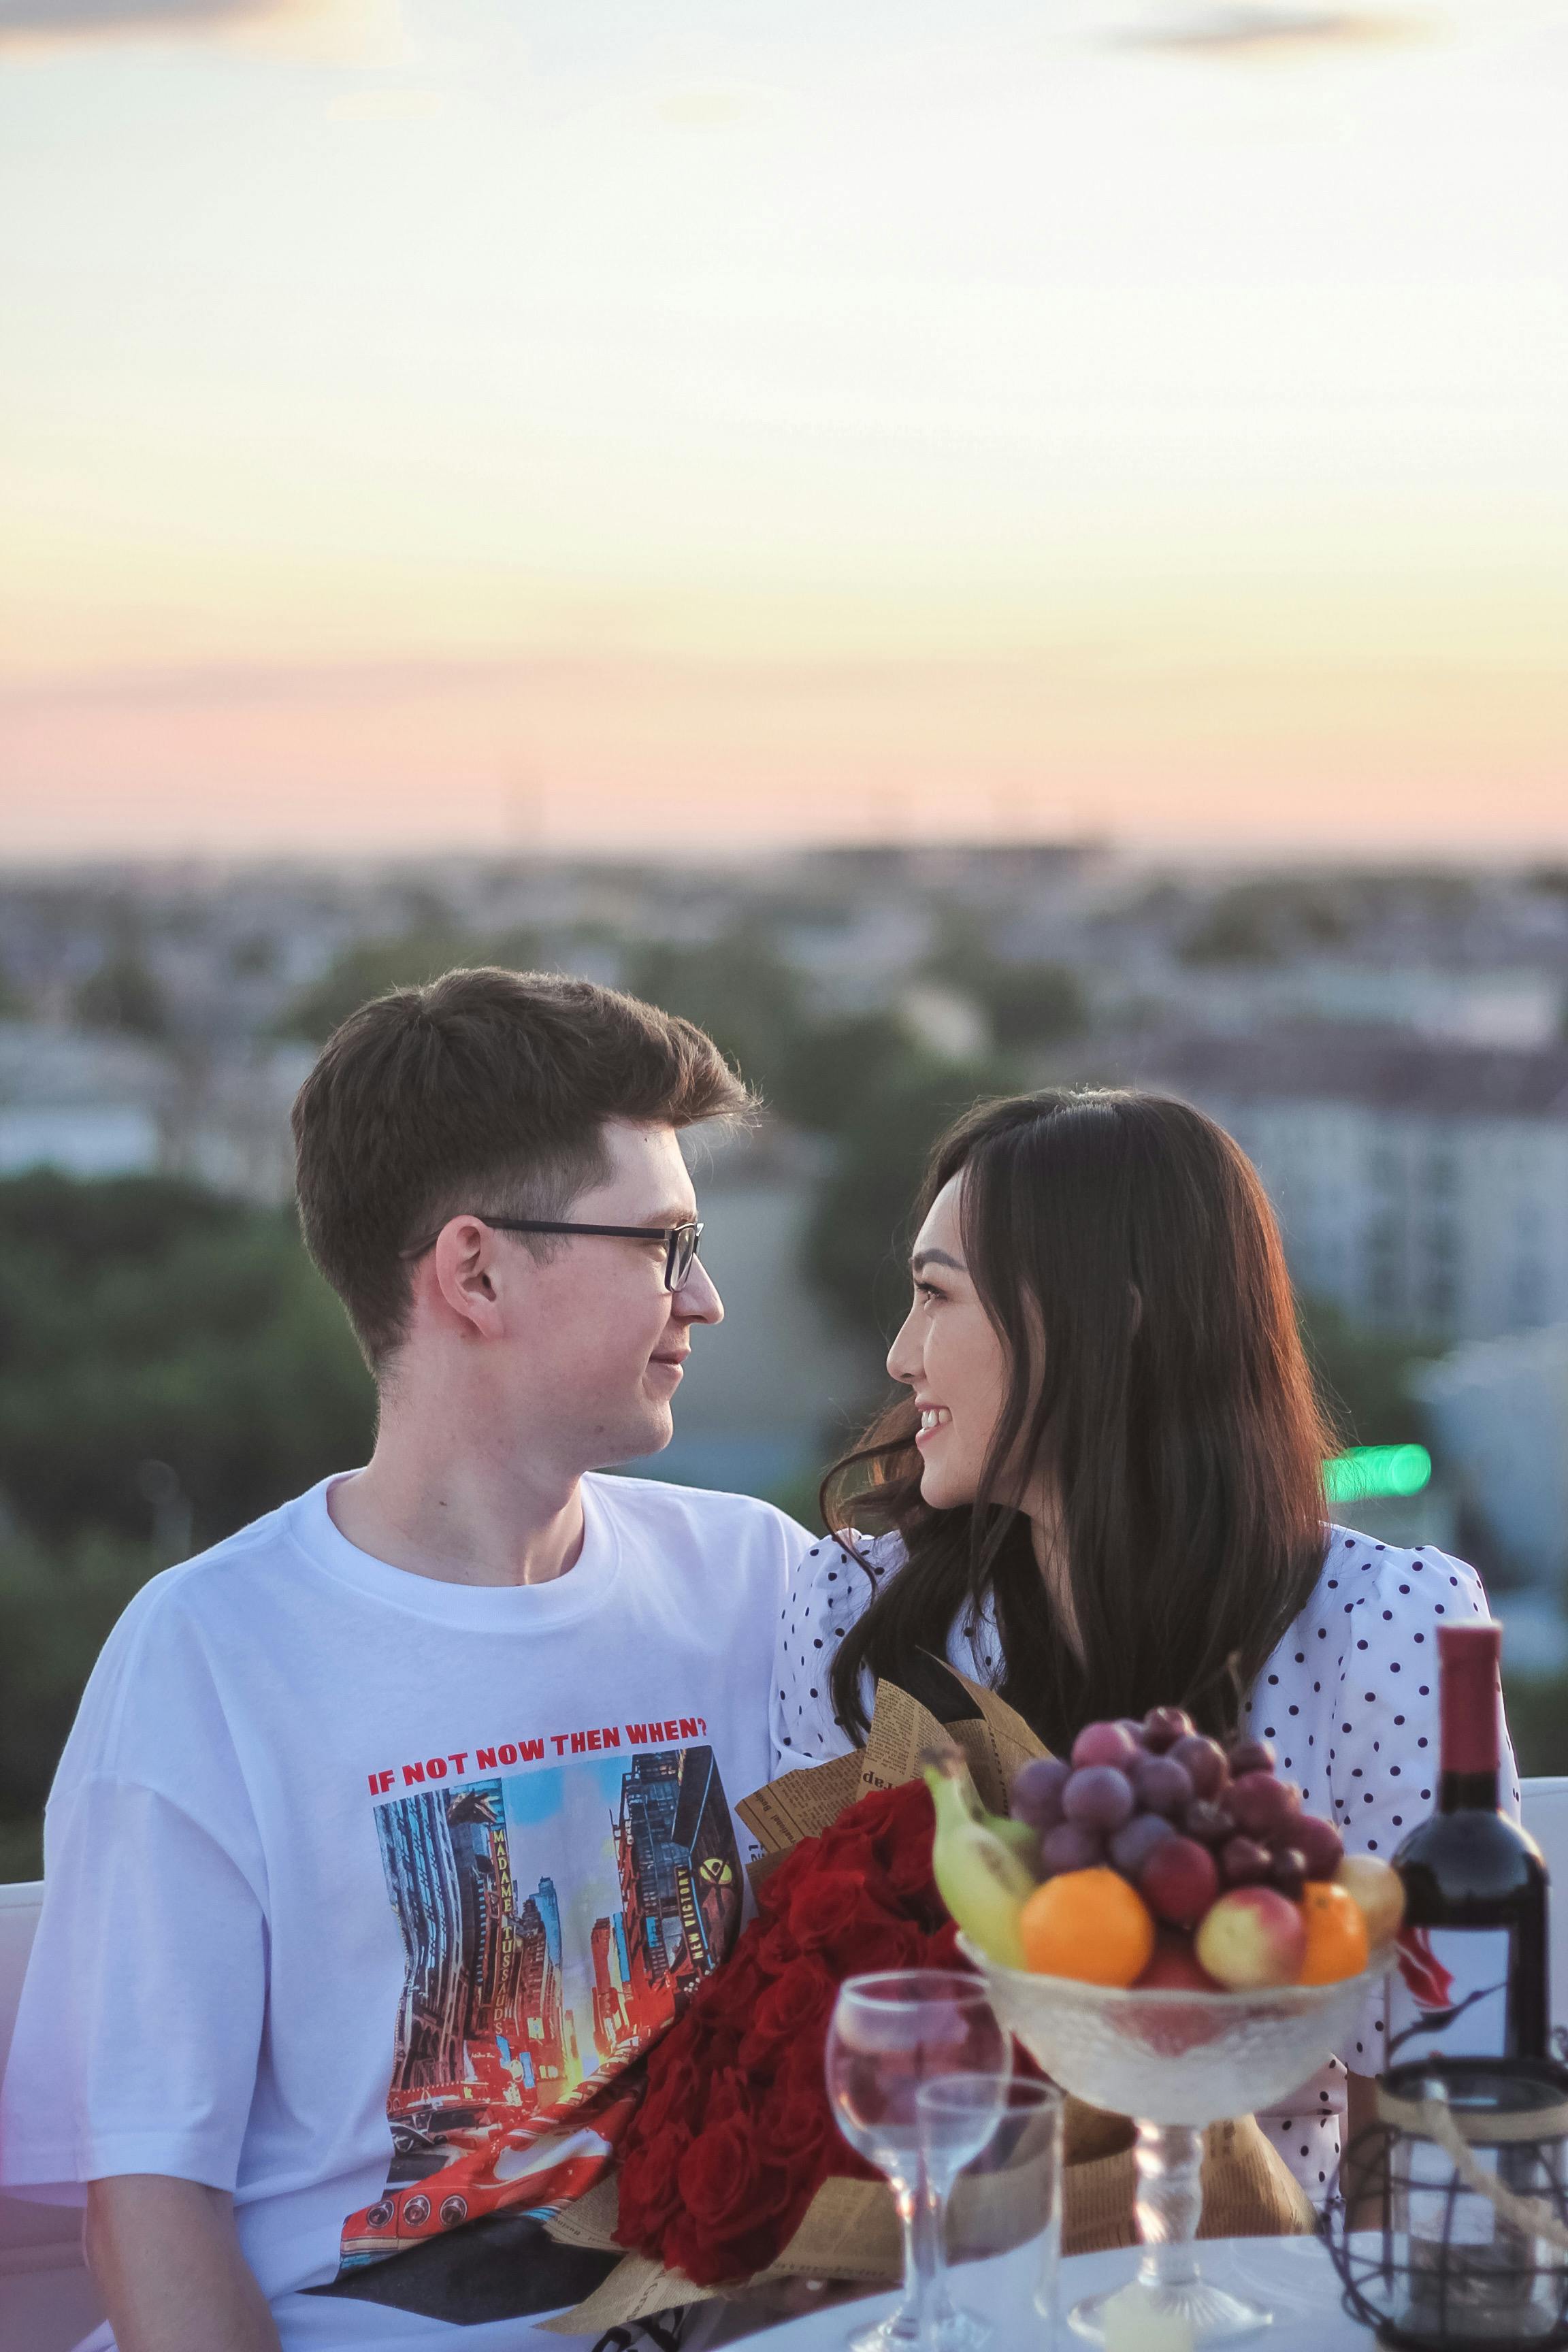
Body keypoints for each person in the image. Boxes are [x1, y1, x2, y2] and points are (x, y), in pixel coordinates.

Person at [1, 968, 808, 2352]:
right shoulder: (211, 1656)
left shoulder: (757, 1582)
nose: (710, 1297)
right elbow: (149, 2202)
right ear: (475, 1271)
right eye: (665, 1245)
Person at [771, 1088, 1520, 2202]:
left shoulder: (1392, 1621)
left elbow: (1432, 2100)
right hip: (944, 2275)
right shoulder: (850, 1606)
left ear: (1104, 1318)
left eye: (937, 1298)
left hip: (1270, 2290)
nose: (899, 1355)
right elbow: (809, 2027)